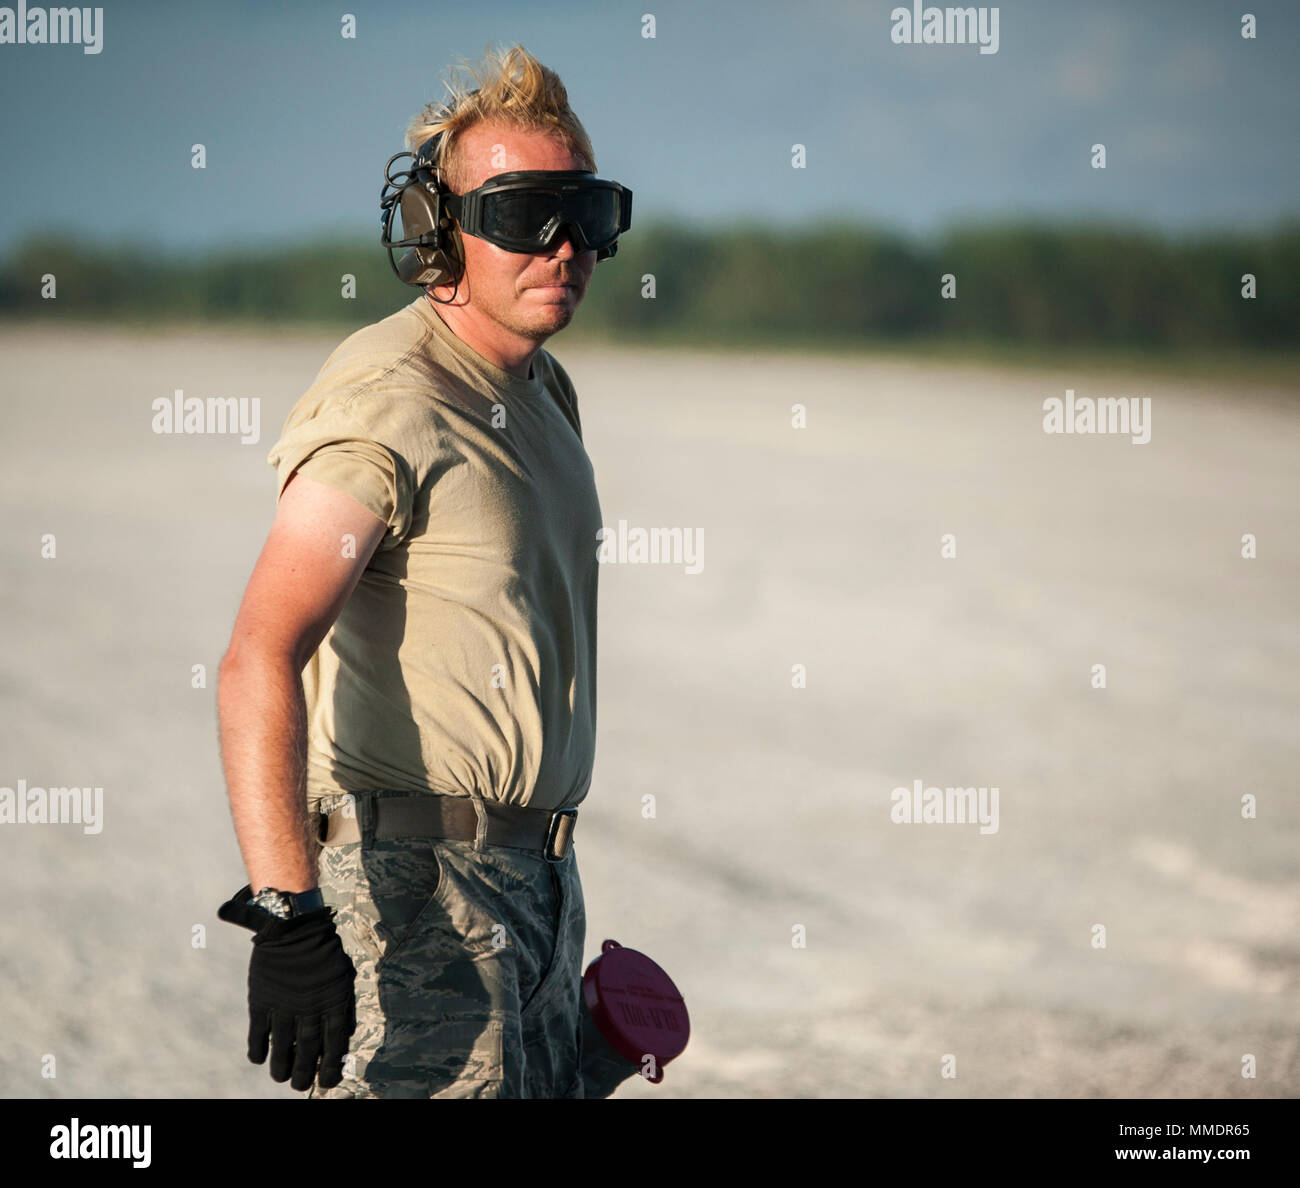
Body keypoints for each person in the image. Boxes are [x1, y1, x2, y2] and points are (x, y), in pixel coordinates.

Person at [214, 43, 632, 1098]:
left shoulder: (544, 389)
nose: (566, 246)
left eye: (591, 213)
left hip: (535, 880)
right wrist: (287, 915)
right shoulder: (389, 401)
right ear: (437, 234)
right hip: (417, 895)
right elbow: (260, 654)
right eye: (525, 216)